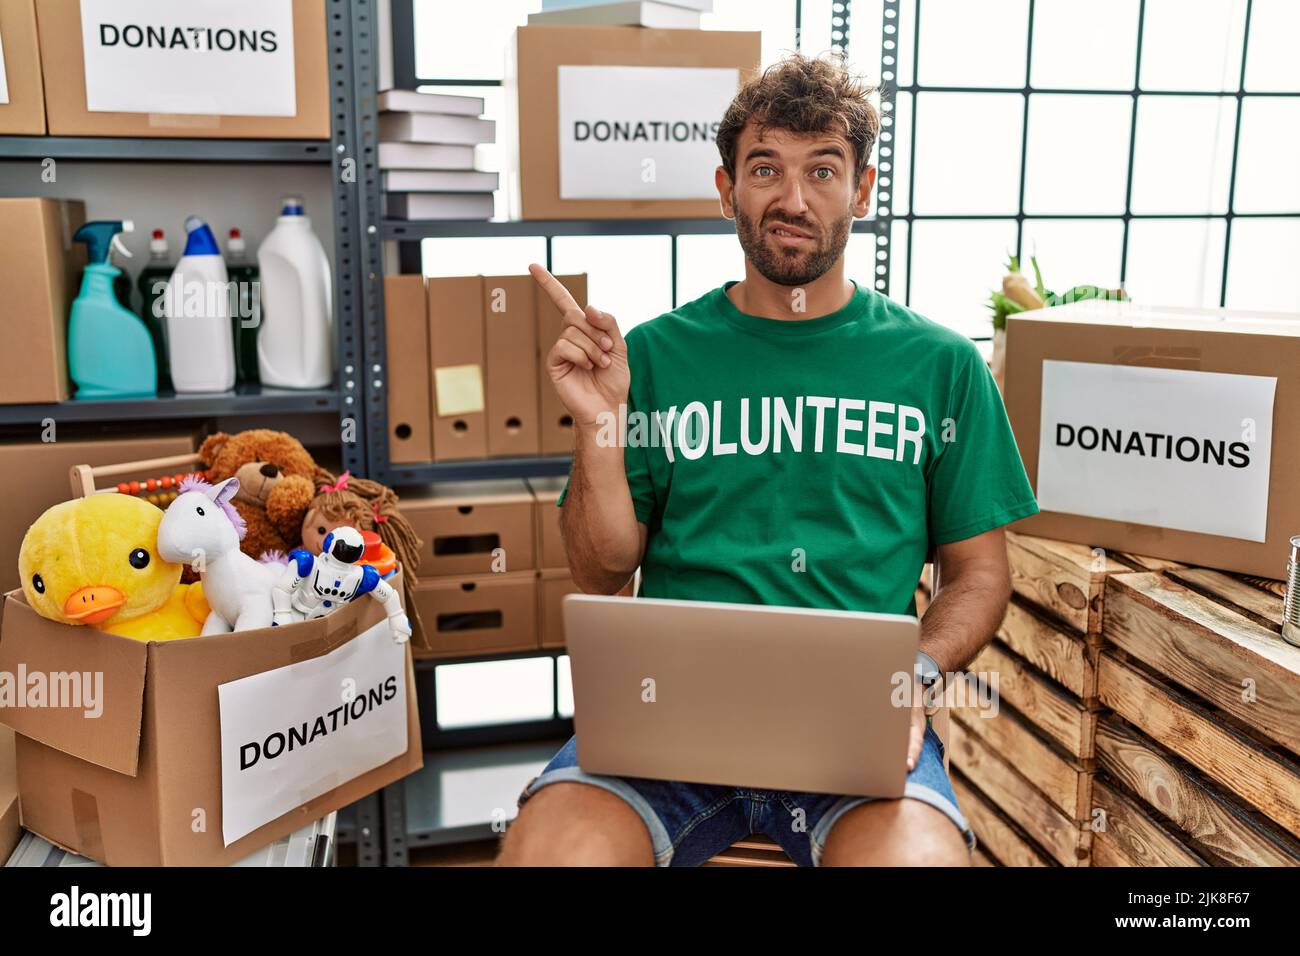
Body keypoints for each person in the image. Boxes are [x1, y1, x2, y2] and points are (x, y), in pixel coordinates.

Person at [496, 53, 1038, 867]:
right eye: (765, 169)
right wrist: (601, 423)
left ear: (862, 190)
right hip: (665, 726)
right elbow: (602, 573)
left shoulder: (941, 367)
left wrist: (915, 677)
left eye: (823, 170)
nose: (792, 198)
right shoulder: (654, 356)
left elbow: (979, 577)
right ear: (727, 191)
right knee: (549, 854)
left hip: (858, 732)